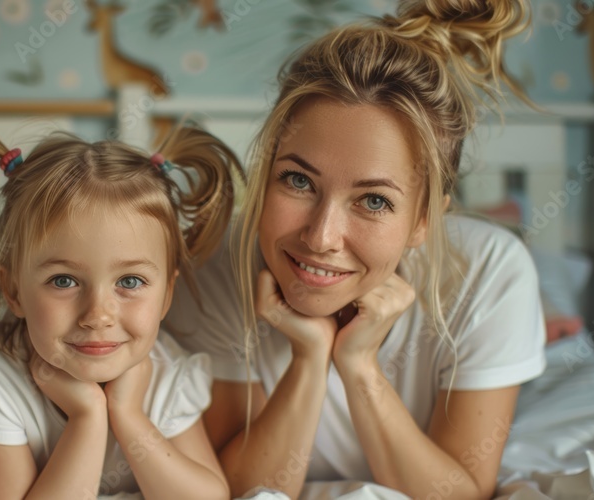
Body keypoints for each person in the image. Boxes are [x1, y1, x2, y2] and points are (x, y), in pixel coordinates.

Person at [161, 0, 547, 498]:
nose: (320, 238)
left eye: (373, 200)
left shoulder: (490, 271)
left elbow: (461, 492)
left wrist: (360, 367)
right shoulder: (217, 264)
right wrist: (309, 356)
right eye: (297, 180)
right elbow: (237, 490)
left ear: (424, 219)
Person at [0, 122, 243, 500]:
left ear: (167, 295)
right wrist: (87, 418)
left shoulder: (167, 372)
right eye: (64, 281)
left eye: (129, 282)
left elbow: (209, 497)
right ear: (13, 290)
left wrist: (127, 415)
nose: (98, 316)